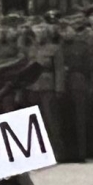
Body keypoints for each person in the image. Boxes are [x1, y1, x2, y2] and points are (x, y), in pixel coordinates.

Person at [24, 18, 66, 158]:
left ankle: (57, 151)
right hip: (32, 86)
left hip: (48, 86)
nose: (39, 34)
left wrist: (59, 88)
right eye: (36, 31)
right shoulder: (31, 48)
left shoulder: (55, 48)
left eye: (42, 31)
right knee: (36, 120)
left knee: (51, 120)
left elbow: (59, 69)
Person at [58, 13, 93, 162]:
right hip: (62, 84)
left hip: (78, 82)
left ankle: (81, 153)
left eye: (68, 29)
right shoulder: (59, 46)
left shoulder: (82, 46)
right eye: (63, 30)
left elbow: (89, 67)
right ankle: (68, 152)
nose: (65, 33)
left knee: (80, 118)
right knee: (65, 119)